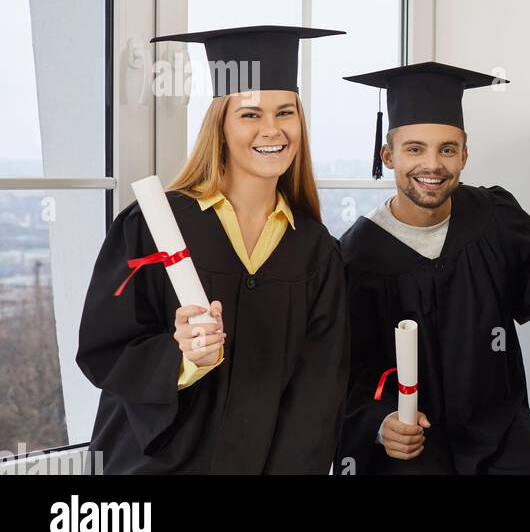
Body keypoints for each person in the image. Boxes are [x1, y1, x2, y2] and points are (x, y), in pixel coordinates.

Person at [77, 25, 349, 473]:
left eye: (286, 113)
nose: (272, 130)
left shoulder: (316, 252)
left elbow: (318, 398)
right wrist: (179, 356)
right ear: (219, 125)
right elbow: (103, 349)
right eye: (250, 115)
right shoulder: (153, 226)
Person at [335, 62, 530, 474]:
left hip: (501, 434)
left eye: (447, 149)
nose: (432, 165)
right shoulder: (356, 257)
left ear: (465, 153)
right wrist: (379, 423)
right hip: (411, 447)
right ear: (389, 155)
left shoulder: (493, 217)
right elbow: (340, 375)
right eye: (415, 148)